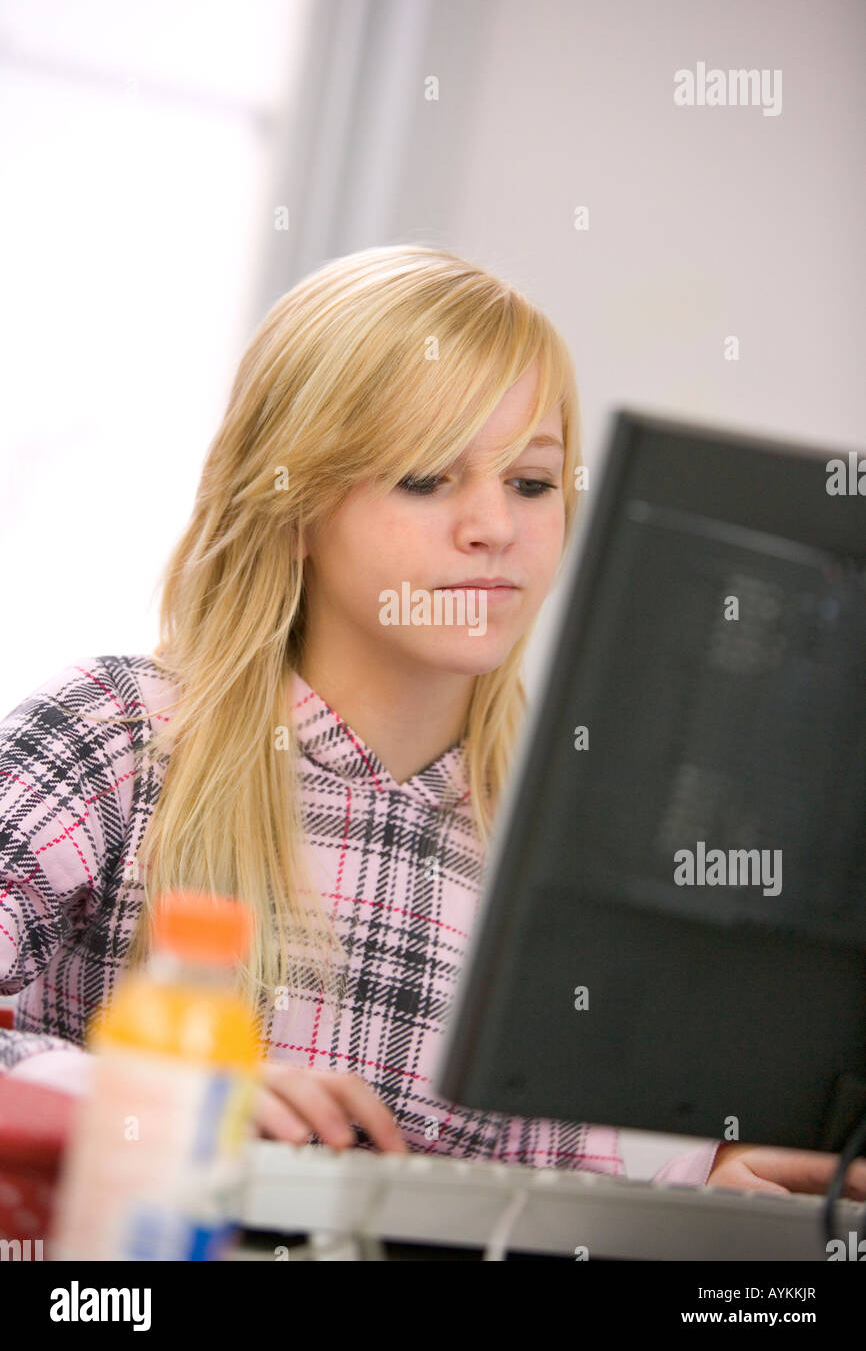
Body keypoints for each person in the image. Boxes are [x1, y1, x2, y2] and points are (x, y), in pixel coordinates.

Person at [1, 244, 863, 1201]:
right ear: (292, 503)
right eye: (425, 479)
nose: (494, 526)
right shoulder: (118, 736)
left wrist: (711, 1179)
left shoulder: (582, 843)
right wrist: (168, 1101)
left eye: (532, 483)